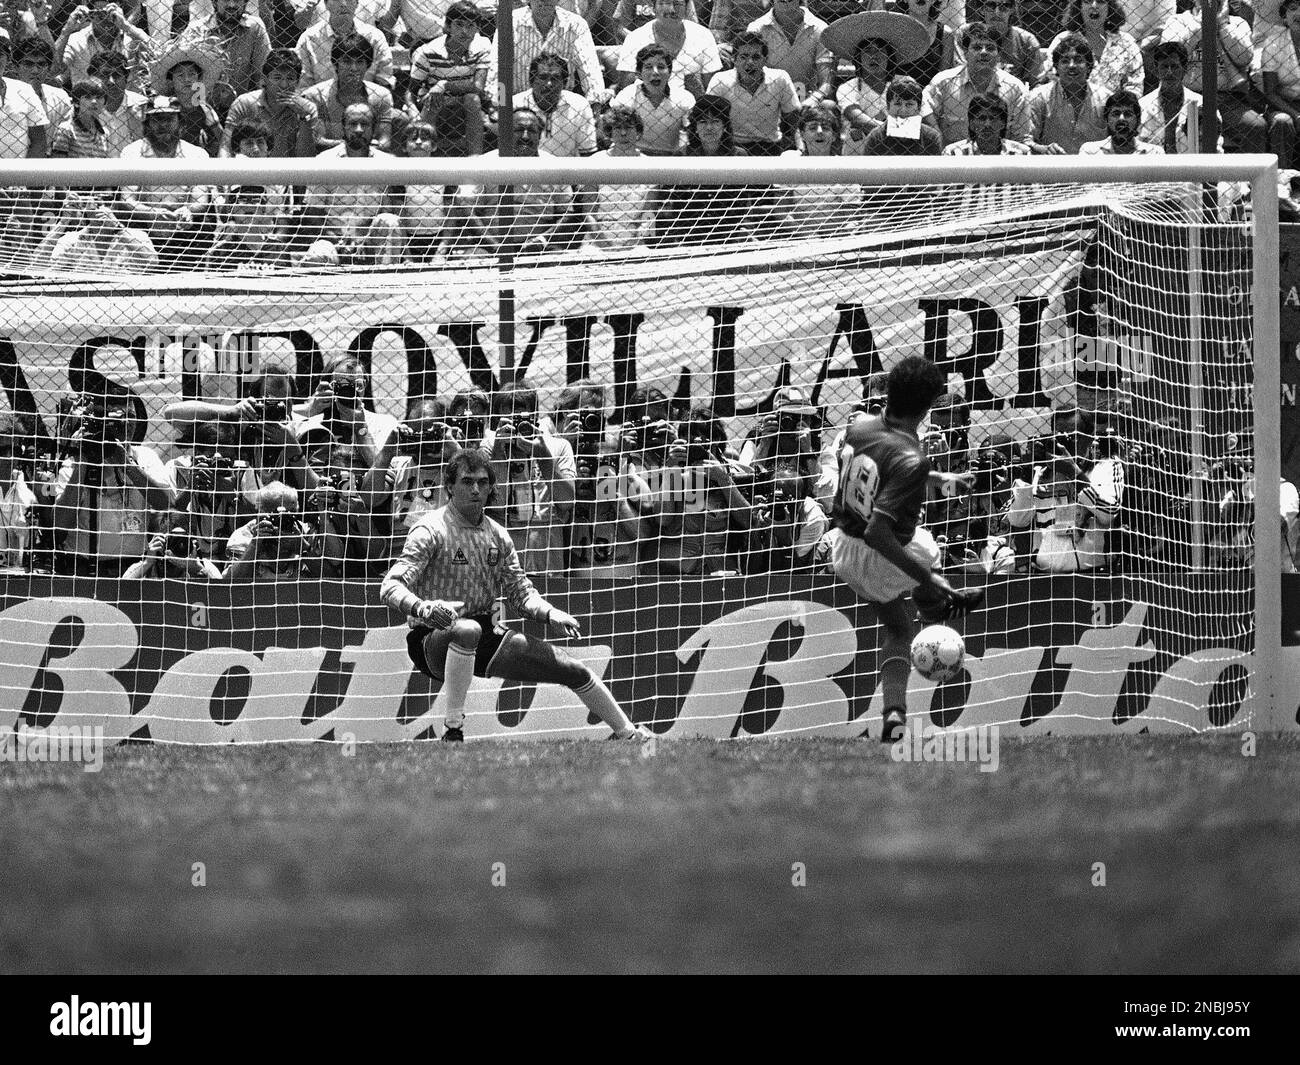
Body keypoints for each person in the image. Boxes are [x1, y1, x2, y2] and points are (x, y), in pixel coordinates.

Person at [380, 448, 653, 743]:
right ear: (449, 487)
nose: (476, 489)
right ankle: (453, 730)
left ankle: (628, 735)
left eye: (483, 482)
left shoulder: (498, 535)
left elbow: (521, 594)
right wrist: (424, 608)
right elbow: (390, 586)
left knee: (572, 668)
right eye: (467, 481)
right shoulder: (429, 529)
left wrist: (551, 613)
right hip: (431, 636)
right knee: (466, 629)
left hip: (486, 633)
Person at [824, 355, 983, 744]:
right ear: (929, 407)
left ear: (890, 391)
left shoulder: (859, 428)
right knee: (926, 551)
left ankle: (894, 710)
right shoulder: (912, 457)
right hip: (879, 550)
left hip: (843, 550)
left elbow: (884, 460)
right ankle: (935, 605)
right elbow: (881, 532)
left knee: (898, 627)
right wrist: (930, 580)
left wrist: (938, 476)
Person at [118, 94, 216, 266]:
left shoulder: (196, 154)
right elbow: (127, 200)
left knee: (204, 223)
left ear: (180, 122)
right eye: (156, 119)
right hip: (144, 228)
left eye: (169, 119)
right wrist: (153, 213)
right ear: (147, 124)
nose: (162, 125)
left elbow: (201, 200)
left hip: (184, 230)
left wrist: (188, 211)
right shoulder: (131, 152)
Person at [302, 102, 402, 264]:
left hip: (371, 240)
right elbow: (313, 214)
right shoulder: (324, 161)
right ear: (343, 128)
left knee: (389, 221)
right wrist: (339, 241)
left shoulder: (387, 163)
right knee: (317, 255)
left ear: (374, 129)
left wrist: (363, 240)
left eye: (365, 124)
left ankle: (386, 284)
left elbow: (390, 210)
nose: (358, 130)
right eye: (352, 124)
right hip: (333, 239)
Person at [1160, 0, 1267, 152]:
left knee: (1256, 125)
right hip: (1187, 98)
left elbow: (1244, 58)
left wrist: (1222, 25)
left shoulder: (1237, 23)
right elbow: (1170, 56)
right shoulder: (1177, 21)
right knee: (1177, 132)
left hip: (1227, 99)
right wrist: (1202, 25)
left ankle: (1249, 175)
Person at [824, 10, 933, 149]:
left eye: (880, 50)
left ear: (890, 56)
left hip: (900, 150)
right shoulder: (848, 88)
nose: (874, 56)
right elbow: (857, 118)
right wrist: (899, 130)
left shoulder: (906, 82)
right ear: (859, 57)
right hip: (859, 153)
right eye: (868, 50)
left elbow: (925, 119)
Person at [924, 20, 1032, 145]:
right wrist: (938, 139)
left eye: (990, 48)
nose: (984, 52)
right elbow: (924, 107)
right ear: (965, 52)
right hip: (953, 159)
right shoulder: (944, 82)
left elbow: (1022, 137)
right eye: (977, 47)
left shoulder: (1015, 88)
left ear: (999, 55)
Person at [406, 0, 488, 156]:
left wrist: (444, 85)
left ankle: (475, 159)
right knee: (433, 99)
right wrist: (412, 110)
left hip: (464, 105)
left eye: (471, 26)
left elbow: (478, 87)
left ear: (478, 28)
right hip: (435, 102)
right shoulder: (428, 52)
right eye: (459, 24)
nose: (464, 31)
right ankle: (423, 158)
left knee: (473, 99)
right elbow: (411, 90)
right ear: (448, 27)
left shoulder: (482, 47)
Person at [488, 0, 605, 104]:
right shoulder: (510, 22)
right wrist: (499, 104)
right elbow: (496, 68)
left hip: (560, 102)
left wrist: (595, 102)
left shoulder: (576, 24)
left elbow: (590, 68)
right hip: (519, 103)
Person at [706, 30, 801, 154]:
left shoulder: (780, 79)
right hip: (732, 146)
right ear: (734, 59)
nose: (750, 62)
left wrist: (800, 147)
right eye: (743, 57)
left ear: (765, 60)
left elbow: (794, 117)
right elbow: (707, 116)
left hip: (769, 145)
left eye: (756, 57)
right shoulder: (720, 81)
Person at [221, 48, 323, 156]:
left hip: (290, 171)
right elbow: (225, 147)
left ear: (298, 81)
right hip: (250, 169)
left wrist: (304, 118)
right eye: (277, 78)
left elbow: (305, 158)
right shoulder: (244, 103)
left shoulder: (307, 108)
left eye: (290, 78)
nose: (284, 85)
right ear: (265, 79)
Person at [302, 31, 393, 150]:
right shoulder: (315, 96)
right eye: (347, 62)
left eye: (359, 62)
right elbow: (318, 141)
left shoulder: (381, 96)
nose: (353, 68)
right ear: (335, 64)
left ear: (368, 65)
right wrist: (356, 146)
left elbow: (385, 141)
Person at [181, 0, 272, 116]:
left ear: (245, 3)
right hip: (202, 108)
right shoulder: (197, 30)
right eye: (225, 0)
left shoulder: (255, 28)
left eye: (237, 0)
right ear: (214, 2)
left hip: (241, 109)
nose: (231, 5)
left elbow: (263, 75)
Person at [615, 0, 719, 98]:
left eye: (677, 4)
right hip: (646, 105)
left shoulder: (703, 36)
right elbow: (625, 86)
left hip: (691, 107)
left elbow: (712, 88)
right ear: (654, 8)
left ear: (687, 8)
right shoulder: (635, 38)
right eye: (664, 3)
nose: (671, 10)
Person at [1027, 31, 1109, 154]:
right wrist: (1043, 149)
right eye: (1065, 61)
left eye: (1078, 60)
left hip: (1095, 169)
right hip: (1052, 168)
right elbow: (1025, 140)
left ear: (1089, 66)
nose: (1072, 65)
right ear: (1056, 67)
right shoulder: (1039, 97)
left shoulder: (1106, 98)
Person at [609, 41, 692, 154]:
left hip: (670, 157)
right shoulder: (626, 96)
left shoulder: (683, 98)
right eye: (648, 67)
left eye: (661, 67)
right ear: (639, 73)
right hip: (635, 155)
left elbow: (690, 134)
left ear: (670, 72)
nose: (655, 72)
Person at [56, 0, 156, 94]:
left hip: (127, 104)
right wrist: (66, 30)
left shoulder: (131, 37)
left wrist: (125, 25)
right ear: (91, 14)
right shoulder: (76, 40)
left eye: (109, 14)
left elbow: (157, 54)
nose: (105, 20)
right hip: (89, 103)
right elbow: (54, 67)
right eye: (100, 15)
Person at [748, 0, 835, 105]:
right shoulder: (756, 28)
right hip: (767, 99)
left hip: (806, 98)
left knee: (829, 105)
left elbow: (826, 83)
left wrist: (813, 100)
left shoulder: (820, 28)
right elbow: (749, 76)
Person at [1051, 0, 1145, 97]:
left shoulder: (1126, 42)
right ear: (1079, 7)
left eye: (1101, 1)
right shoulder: (1063, 40)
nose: (1094, 5)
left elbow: (1135, 86)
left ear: (1110, 7)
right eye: (1087, 1)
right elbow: (1052, 79)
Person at [513, 51, 598, 157]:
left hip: (566, 171)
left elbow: (587, 153)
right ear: (531, 80)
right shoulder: (515, 104)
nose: (549, 84)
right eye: (543, 77)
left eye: (555, 78)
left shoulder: (579, 105)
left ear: (565, 82)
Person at [151, 36, 225, 156]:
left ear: (198, 78)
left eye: (192, 74)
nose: (187, 80)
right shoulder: (164, 106)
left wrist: (212, 131)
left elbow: (222, 141)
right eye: (180, 75)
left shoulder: (204, 109)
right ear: (171, 80)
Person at [295, 0, 393, 89]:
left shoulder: (374, 37)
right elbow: (302, 85)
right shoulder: (309, 39)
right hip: (321, 103)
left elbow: (384, 79)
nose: (343, 4)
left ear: (357, 4)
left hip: (366, 102)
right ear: (326, 4)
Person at [1138, 39, 1210, 153]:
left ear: (1185, 68)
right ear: (1156, 70)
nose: (1169, 72)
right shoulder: (1142, 106)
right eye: (1164, 66)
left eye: (1174, 66)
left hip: (1191, 168)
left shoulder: (1201, 104)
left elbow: (1216, 148)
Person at [955, 0, 1046, 86]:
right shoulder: (965, 33)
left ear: (1012, 9)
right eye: (991, 5)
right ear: (982, 9)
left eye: (1004, 6)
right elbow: (958, 72)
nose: (997, 12)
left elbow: (1037, 83)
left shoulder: (1026, 40)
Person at [862, 74, 944, 153]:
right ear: (888, 107)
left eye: (909, 104)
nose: (903, 110)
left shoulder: (931, 137)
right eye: (897, 104)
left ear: (919, 108)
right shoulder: (876, 137)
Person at [88, 49, 144, 157]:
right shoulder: (85, 109)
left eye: (117, 75)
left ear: (126, 78)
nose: (111, 82)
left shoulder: (142, 106)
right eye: (105, 75)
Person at [0, 29, 47, 157]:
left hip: (17, 173)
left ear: (7, 59)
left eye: (0, 54)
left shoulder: (24, 90)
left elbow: (39, 142)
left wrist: (25, 174)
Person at [891, 0, 957, 88]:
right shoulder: (892, 30)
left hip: (931, 95)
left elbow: (943, 79)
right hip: (897, 94)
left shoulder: (945, 34)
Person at [13, 37, 71, 134]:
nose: (35, 71)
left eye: (41, 64)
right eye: (28, 64)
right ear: (16, 67)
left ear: (48, 69)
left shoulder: (60, 99)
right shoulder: (5, 96)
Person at [1080, 87, 1163, 152]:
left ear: (1138, 121)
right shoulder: (1090, 151)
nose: (1121, 119)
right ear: (1106, 119)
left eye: (1128, 114)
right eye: (1116, 114)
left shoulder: (1153, 153)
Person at [50, 75, 110, 156]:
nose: (94, 102)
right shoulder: (67, 130)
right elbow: (58, 164)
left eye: (99, 97)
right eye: (88, 97)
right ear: (77, 102)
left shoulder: (104, 133)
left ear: (104, 103)